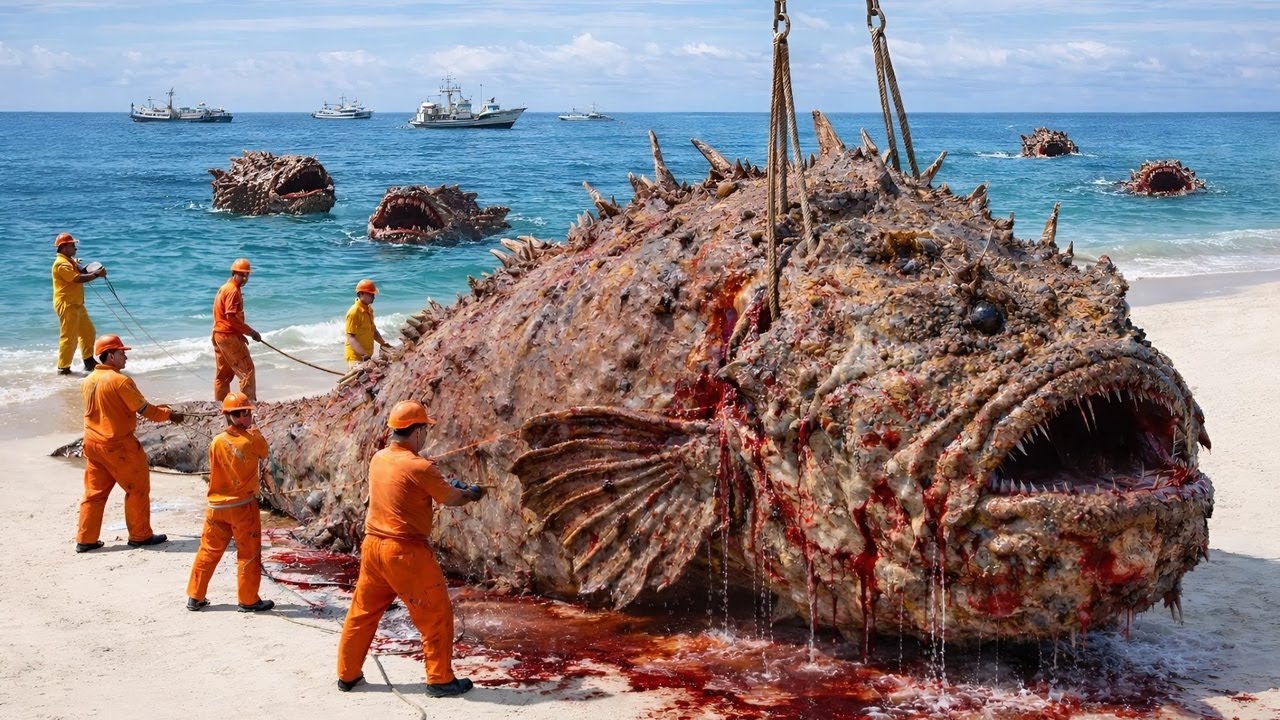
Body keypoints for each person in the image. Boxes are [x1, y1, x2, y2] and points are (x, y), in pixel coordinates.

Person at [335, 400, 485, 697]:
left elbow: (411, 486)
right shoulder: (420, 466)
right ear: (416, 431)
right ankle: (440, 679)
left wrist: (445, 484)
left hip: (373, 548)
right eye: (425, 430)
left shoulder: (379, 458)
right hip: (405, 552)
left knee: (362, 613)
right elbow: (451, 498)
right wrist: (470, 493)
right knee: (436, 614)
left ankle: (347, 674)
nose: (426, 435)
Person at [76, 334, 185, 553]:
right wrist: (169, 415)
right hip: (119, 446)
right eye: (121, 353)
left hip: (93, 444)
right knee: (137, 489)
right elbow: (144, 410)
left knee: (94, 494)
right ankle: (140, 536)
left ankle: (86, 540)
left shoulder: (88, 381)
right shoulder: (120, 381)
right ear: (110, 356)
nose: (125, 357)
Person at [185, 391, 276, 613]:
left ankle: (195, 596)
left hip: (216, 507)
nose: (247, 417)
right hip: (242, 507)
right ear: (238, 416)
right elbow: (264, 453)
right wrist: (255, 431)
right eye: (244, 413)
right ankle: (248, 600)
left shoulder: (217, 441)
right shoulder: (251, 440)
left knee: (208, 551)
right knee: (248, 553)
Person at [51, 232, 107, 375]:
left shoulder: (69, 261)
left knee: (88, 332)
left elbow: (81, 271)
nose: (75, 248)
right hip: (67, 304)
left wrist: (90, 269)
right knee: (69, 337)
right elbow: (77, 279)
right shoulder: (61, 264)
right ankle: (63, 368)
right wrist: (96, 275)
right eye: (72, 246)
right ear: (64, 247)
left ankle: (88, 361)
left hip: (77, 304)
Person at [212, 258, 261, 402]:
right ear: (234, 273)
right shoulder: (233, 290)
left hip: (219, 335)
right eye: (242, 275)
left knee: (223, 375)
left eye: (247, 275)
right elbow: (231, 318)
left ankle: (220, 405)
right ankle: (249, 404)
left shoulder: (225, 287)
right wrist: (251, 332)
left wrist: (240, 334)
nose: (245, 278)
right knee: (247, 371)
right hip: (228, 336)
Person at [344, 279, 391, 368]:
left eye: (373, 294)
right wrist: (365, 355)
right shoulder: (354, 312)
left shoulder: (369, 309)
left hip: (367, 355)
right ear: (361, 294)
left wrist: (383, 344)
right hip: (356, 357)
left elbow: (373, 331)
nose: (373, 297)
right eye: (371, 294)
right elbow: (351, 337)